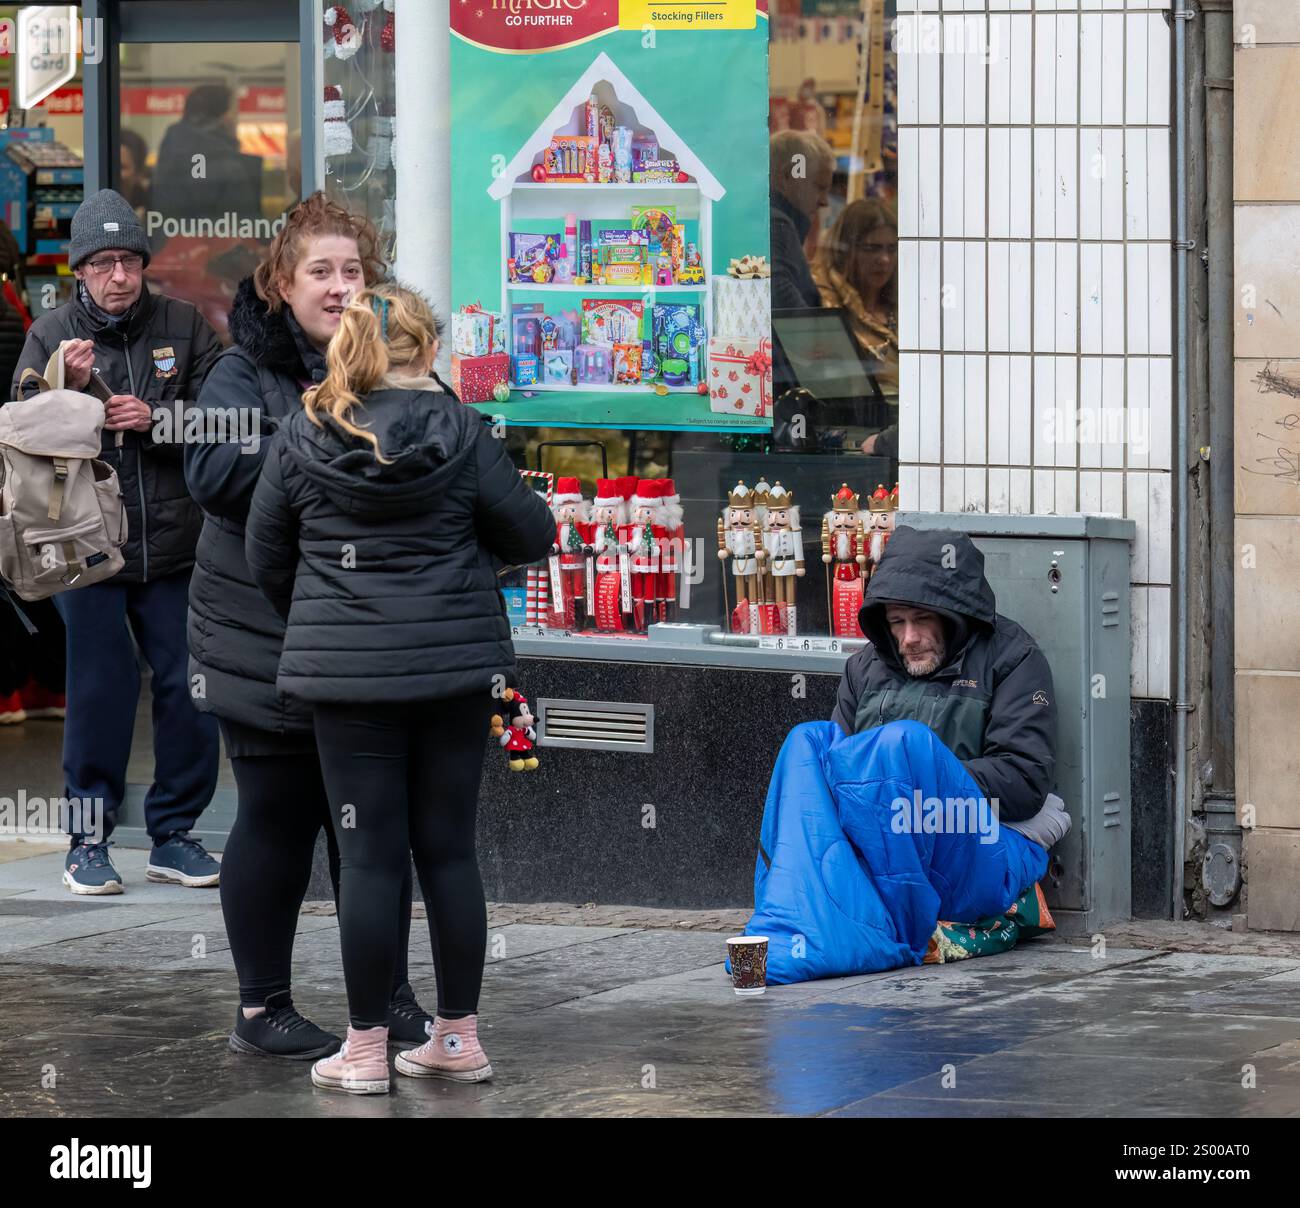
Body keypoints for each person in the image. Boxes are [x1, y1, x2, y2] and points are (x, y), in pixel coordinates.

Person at [244, 282, 554, 1095]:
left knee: (370, 858)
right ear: (425, 349)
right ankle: (456, 1041)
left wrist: (326, 621)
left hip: (349, 689)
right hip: (456, 677)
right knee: (449, 850)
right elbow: (532, 532)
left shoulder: (302, 434)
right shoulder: (465, 431)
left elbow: (264, 558)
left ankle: (367, 1052)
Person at [184, 194, 438, 1061]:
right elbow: (213, 475)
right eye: (320, 272)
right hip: (262, 640)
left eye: (352, 271)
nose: (339, 288)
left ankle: (391, 999)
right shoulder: (236, 372)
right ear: (281, 284)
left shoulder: (394, 368)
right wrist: (322, 435)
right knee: (277, 819)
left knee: (372, 831)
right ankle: (262, 1010)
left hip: (364, 645)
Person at [11, 188, 223, 894]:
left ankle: (175, 834)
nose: (118, 276)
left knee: (188, 688)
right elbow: (21, 434)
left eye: (128, 260)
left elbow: (232, 422)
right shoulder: (52, 333)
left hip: (174, 545)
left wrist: (157, 418)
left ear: (143, 264)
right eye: (102, 263)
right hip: (84, 547)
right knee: (98, 690)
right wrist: (63, 392)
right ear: (80, 271)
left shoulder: (186, 325)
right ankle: (87, 842)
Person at [744, 526, 1070, 984]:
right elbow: (832, 773)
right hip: (878, 841)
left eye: (922, 621)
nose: (909, 638)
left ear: (955, 616)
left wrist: (919, 782)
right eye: (897, 623)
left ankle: (888, 927)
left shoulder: (1011, 658)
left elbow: (1024, 779)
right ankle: (783, 921)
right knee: (808, 741)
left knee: (904, 745)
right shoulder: (865, 667)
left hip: (976, 845)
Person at [811, 198, 900, 455]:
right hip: (856, 437)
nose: (884, 259)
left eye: (892, 249)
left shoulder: (907, 301)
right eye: (872, 248)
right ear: (847, 250)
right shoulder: (825, 301)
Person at [150, 84, 262, 233]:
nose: (235, 119)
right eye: (233, 111)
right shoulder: (225, 164)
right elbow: (244, 226)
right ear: (222, 116)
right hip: (218, 251)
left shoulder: (171, 155)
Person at [769, 129, 834, 311]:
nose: (824, 201)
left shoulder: (764, 219)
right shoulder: (778, 226)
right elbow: (792, 319)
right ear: (788, 176)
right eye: (819, 187)